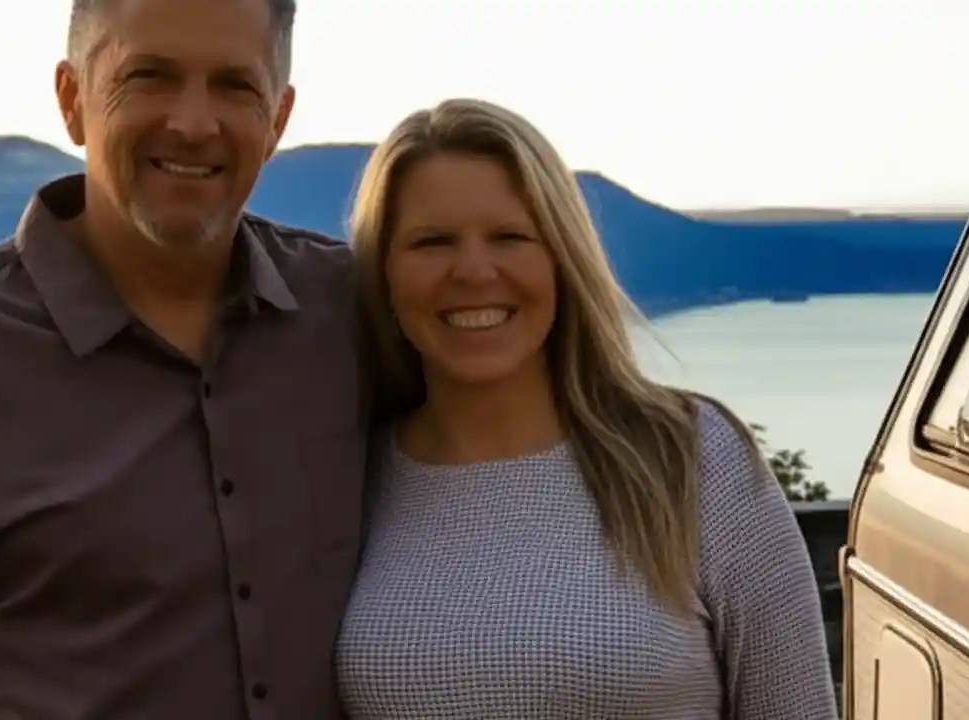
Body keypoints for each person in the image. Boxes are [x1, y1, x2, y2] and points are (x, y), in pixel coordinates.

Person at [0, 0, 367, 717]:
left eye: (234, 85)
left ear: (277, 118)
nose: (191, 122)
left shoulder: (357, 319)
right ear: (72, 100)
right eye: (149, 76)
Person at [335, 97, 839, 719]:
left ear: (561, 259)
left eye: (510, 237)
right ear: (383, 272)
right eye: (432, 242)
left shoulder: (693, 459)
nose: (472, 271)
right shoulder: (347, 480)